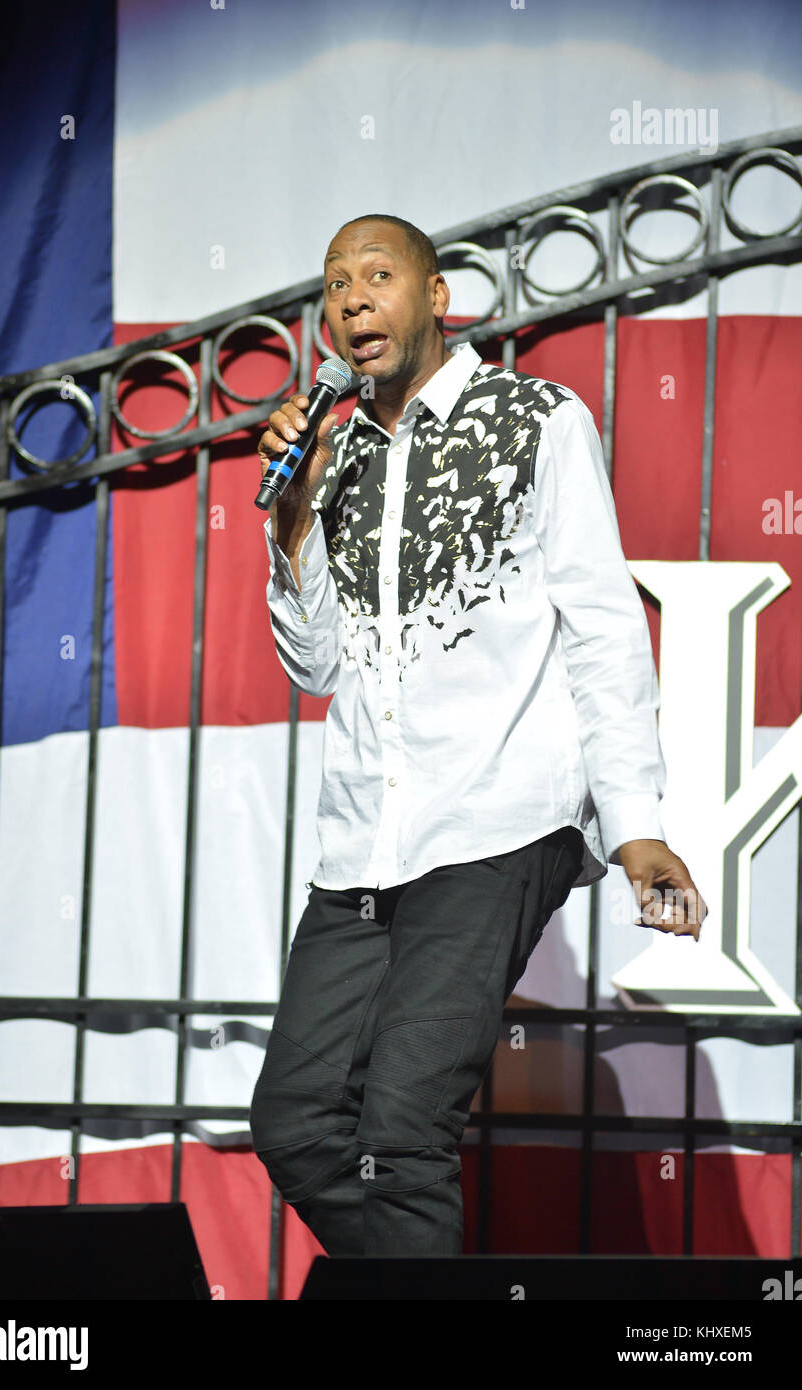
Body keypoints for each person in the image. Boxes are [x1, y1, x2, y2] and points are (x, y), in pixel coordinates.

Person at [249, 213, 707, 1257]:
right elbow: (315, 666)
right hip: (365, 838)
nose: (351, 299)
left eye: (376, 274)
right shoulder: (336, 455)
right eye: (333, 286)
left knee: (402, 1131)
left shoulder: (535, 419)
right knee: (296, 1120)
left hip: (500, 817)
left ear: (437, 293)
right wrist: (290, 528)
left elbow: (599, 626)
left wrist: (634, 823)